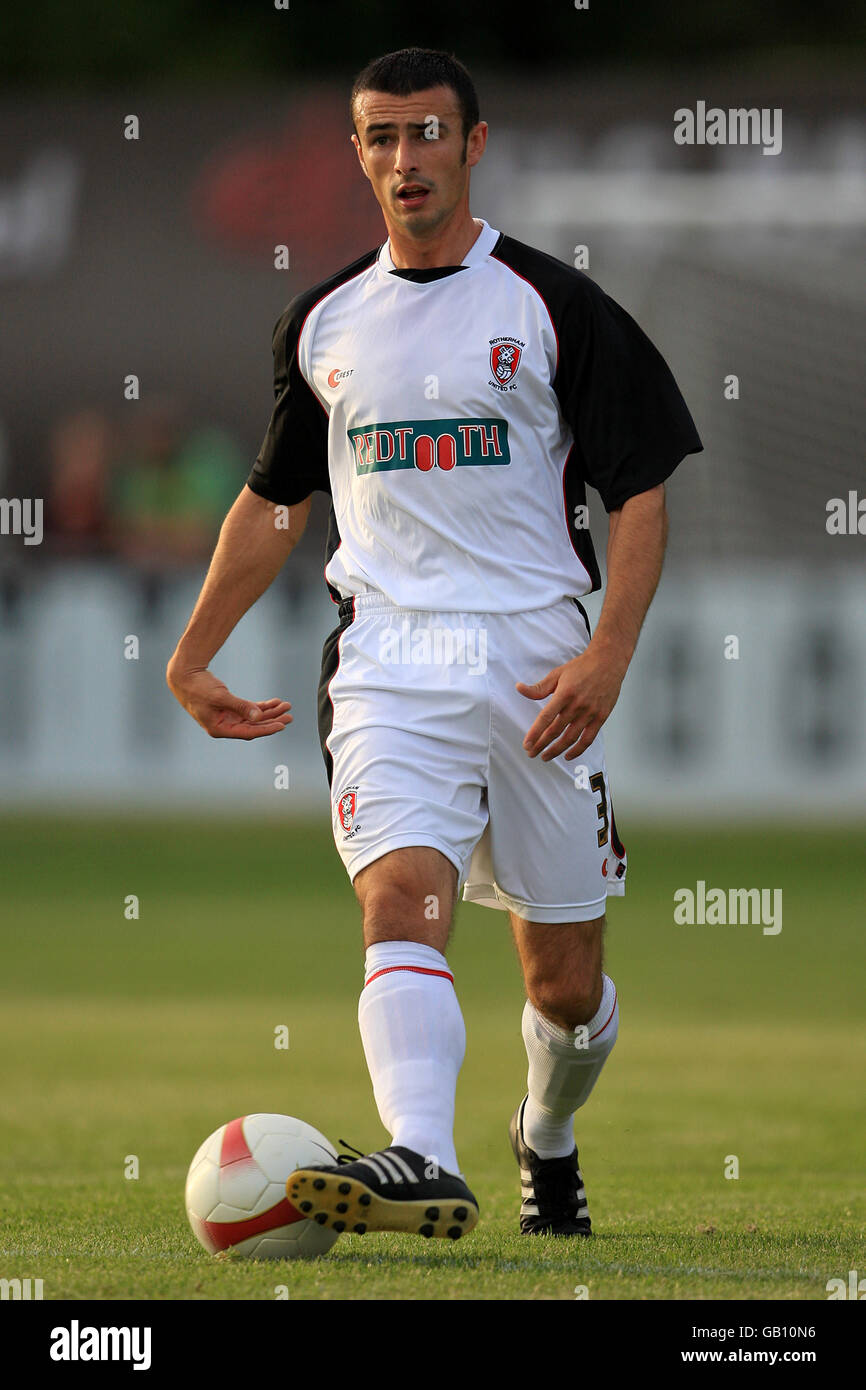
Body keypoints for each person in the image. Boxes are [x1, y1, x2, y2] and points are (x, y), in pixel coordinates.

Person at [167, 47, 702, 1243]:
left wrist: (607, 654)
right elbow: (272, 502)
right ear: (355, 152)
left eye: (424, 134)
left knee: (563, 988)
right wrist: (191, 649)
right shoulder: (321, 322)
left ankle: (544, 1133)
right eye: (378, 137)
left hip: (536, 667)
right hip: (387, 662)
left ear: (472, 143)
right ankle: (420, 1153)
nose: (402, 159)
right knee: (401, 900)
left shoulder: (554, 306)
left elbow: (642, 491)